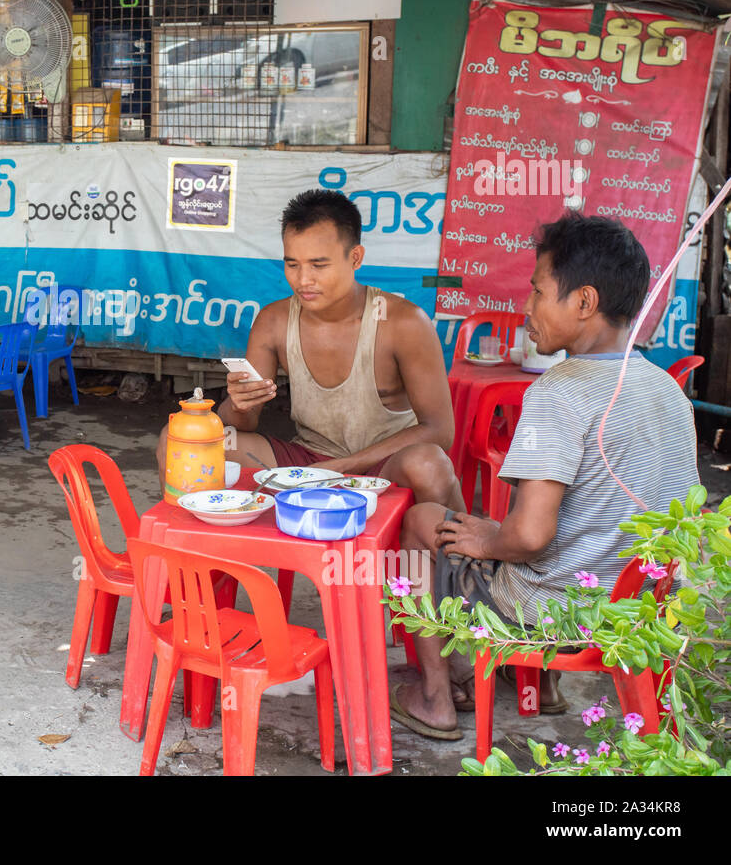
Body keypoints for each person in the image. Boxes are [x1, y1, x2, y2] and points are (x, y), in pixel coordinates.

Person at [389, 213, 699, 741]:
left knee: (422, 520)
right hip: (643, 608)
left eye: (537, 292)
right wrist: (494, 534)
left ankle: (437, 697)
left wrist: (490, 540)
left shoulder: (558, 391)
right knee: (500, 527)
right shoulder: (666, 388)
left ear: (583, 302)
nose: (526, 307)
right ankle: (541, 685)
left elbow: (530, 537)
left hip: (559, 611)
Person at [158, 189, 464, 509]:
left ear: (355, 258)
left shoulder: (403, 322)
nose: (304, 280)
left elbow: (440, 431)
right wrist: (238, 404)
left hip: (385, 463)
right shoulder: (274, 321)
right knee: (179, 440)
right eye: (293, 265)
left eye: (319, 265)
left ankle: (458, 556)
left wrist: (341, 468)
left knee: (428, 464)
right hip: (308, 462)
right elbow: (242, 425)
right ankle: (187, 550)